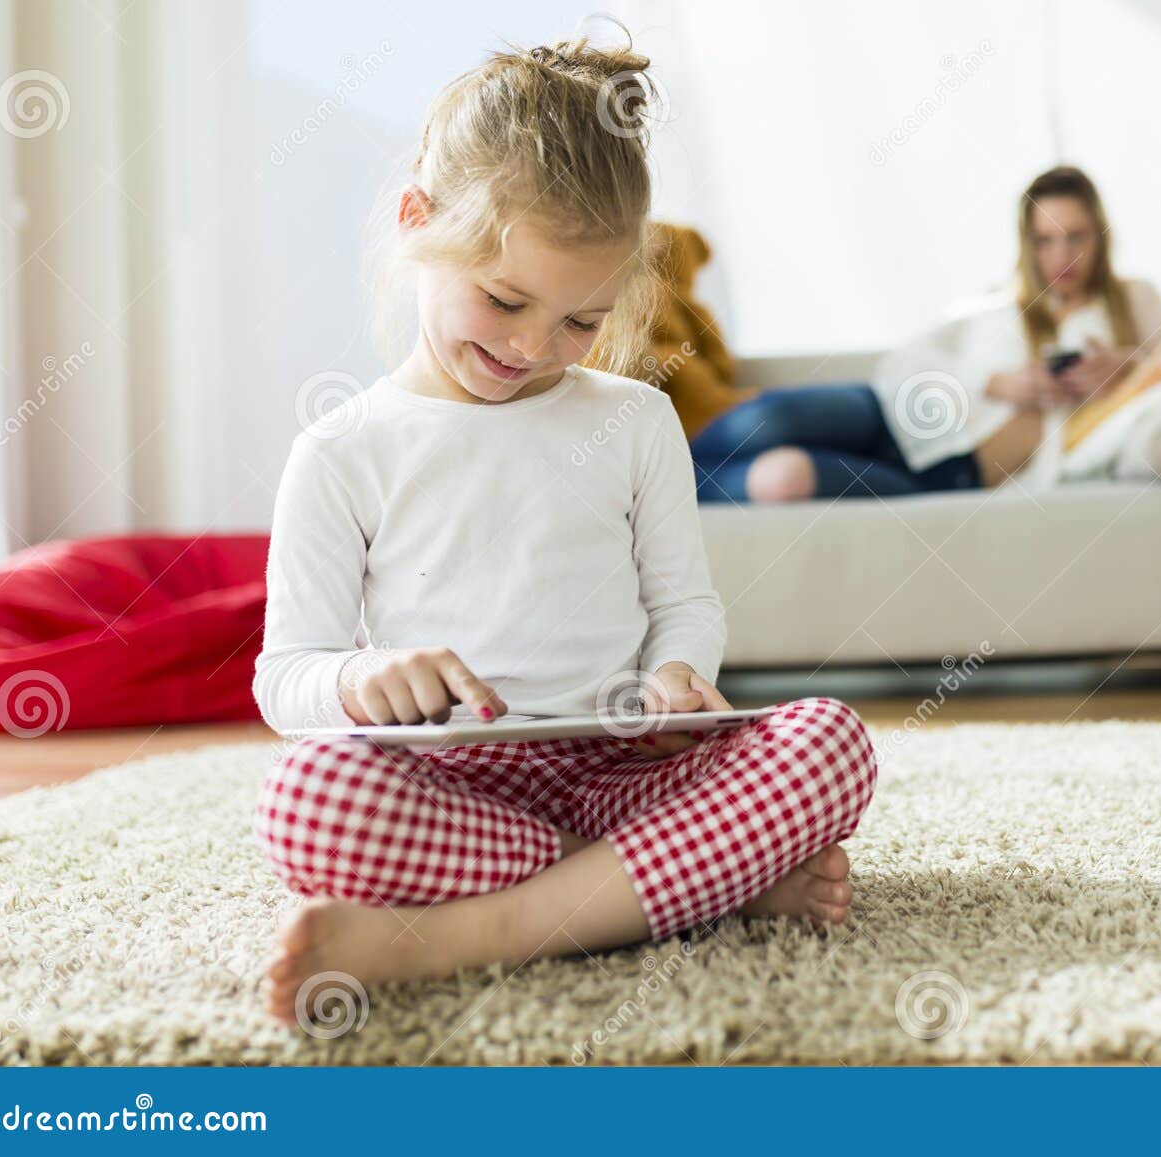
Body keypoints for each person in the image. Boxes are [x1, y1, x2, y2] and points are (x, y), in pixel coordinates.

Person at [250, 36, 877, 1025]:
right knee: (306, 798)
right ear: (416, 221)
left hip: (629, 769)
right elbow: (286, 677)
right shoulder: (342, 450)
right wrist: (355, 679)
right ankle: (694, 884)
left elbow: (683, 604)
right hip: (460, 790)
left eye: (580, 320)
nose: (532, 348)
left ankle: (457, 935)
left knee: (827, 741)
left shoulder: (632, 420)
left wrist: (678, 673)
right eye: (503, 299)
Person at [688, 165, 1161, 501]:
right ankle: (647, 476)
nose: (1061, 256)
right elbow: (902, 363)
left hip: (950, 477)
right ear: (1027, 243)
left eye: (1076, 236)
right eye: (1045, 240)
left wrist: (1126, 366)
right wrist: (998, 383)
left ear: (1100, 234)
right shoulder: (997, 302)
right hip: (891, 413)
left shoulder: (1134, 301)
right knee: (772, 421)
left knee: (782, 480)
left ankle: (661, 497)